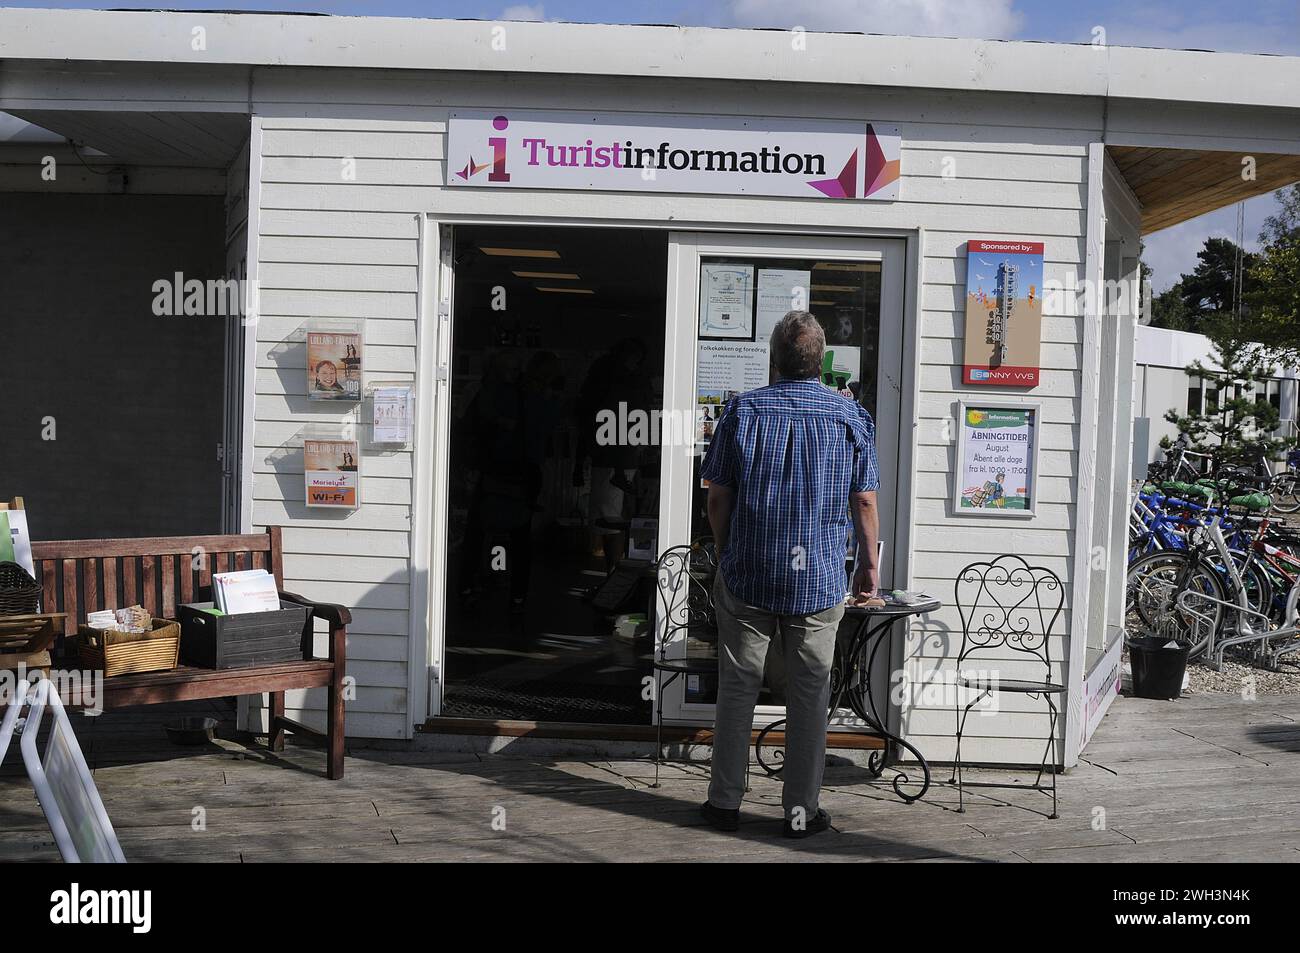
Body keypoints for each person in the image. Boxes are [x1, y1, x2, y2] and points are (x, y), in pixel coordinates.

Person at [698, 310, 880, 839]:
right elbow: (864, 502)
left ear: (773, 359)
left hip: (749, 573)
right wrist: (868, 567)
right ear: (820, 361)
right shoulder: (850, 418)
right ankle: (800, 813)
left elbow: (716, 498)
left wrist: (728, 552)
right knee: (809, 695)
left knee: (737, 690)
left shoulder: (742, 412)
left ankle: (724, 804)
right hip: (818, 582)